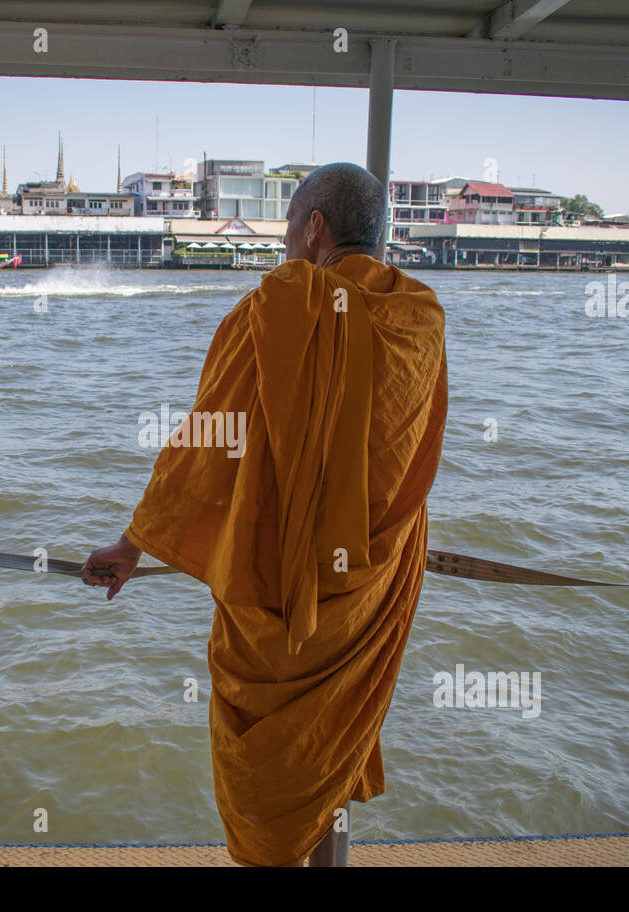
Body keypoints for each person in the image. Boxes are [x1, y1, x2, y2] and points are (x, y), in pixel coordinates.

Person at [82, 162, 448, 867]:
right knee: (333, 740)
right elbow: (408, 455)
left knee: (275, 767)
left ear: (314, 229)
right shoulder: (421, 319)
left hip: (282, 590)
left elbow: (208, 443)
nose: (284, 246)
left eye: (287, 229)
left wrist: (134, 544)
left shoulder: (278, 311)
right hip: (371, 587)